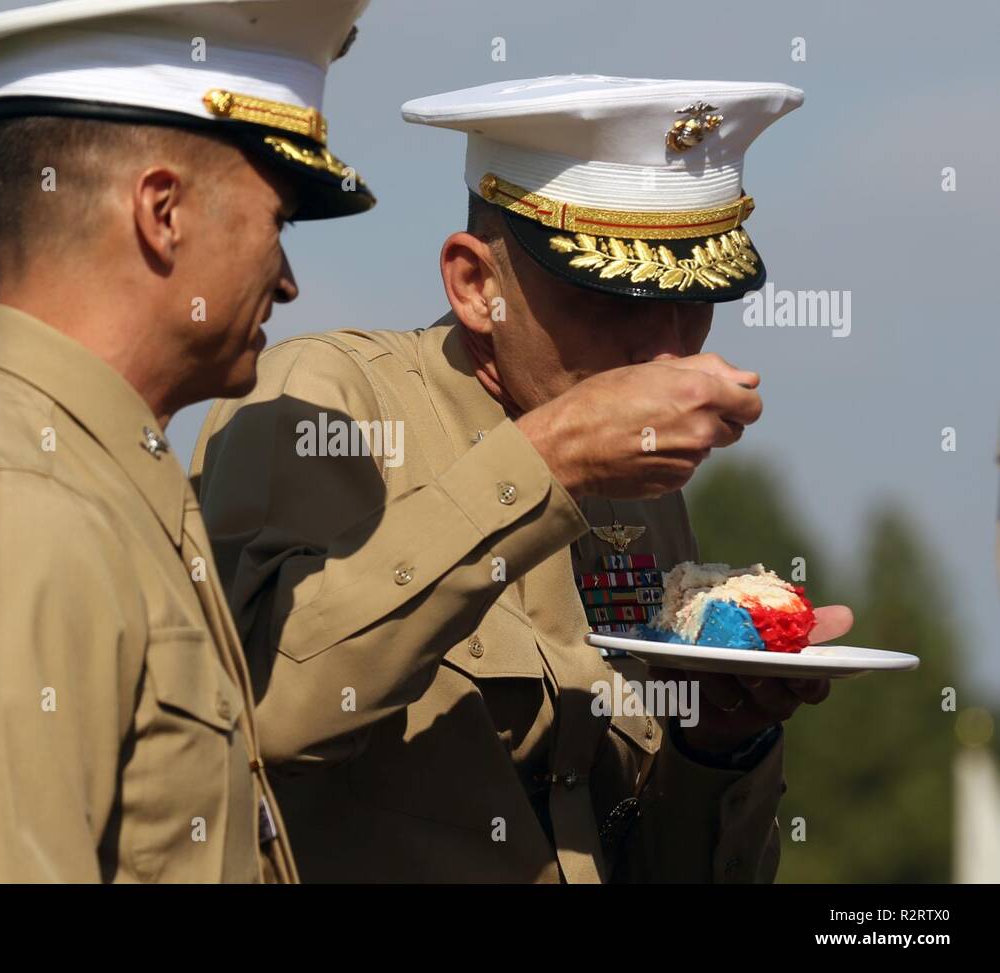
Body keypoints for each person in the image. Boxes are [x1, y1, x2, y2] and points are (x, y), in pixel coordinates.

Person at [191, 75, 853, 882]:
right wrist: (548, 463)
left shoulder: (641, 499)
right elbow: (255, 720)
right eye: (618, 298)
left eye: (697, 302)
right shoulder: (326, 406)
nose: (671, 353)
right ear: (477, 285)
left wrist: (717, 740)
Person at [0, 0, 373, 883]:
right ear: (162, 212)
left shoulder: (75, 481)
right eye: (277, 222)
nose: (287, 281)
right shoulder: (15, 521)